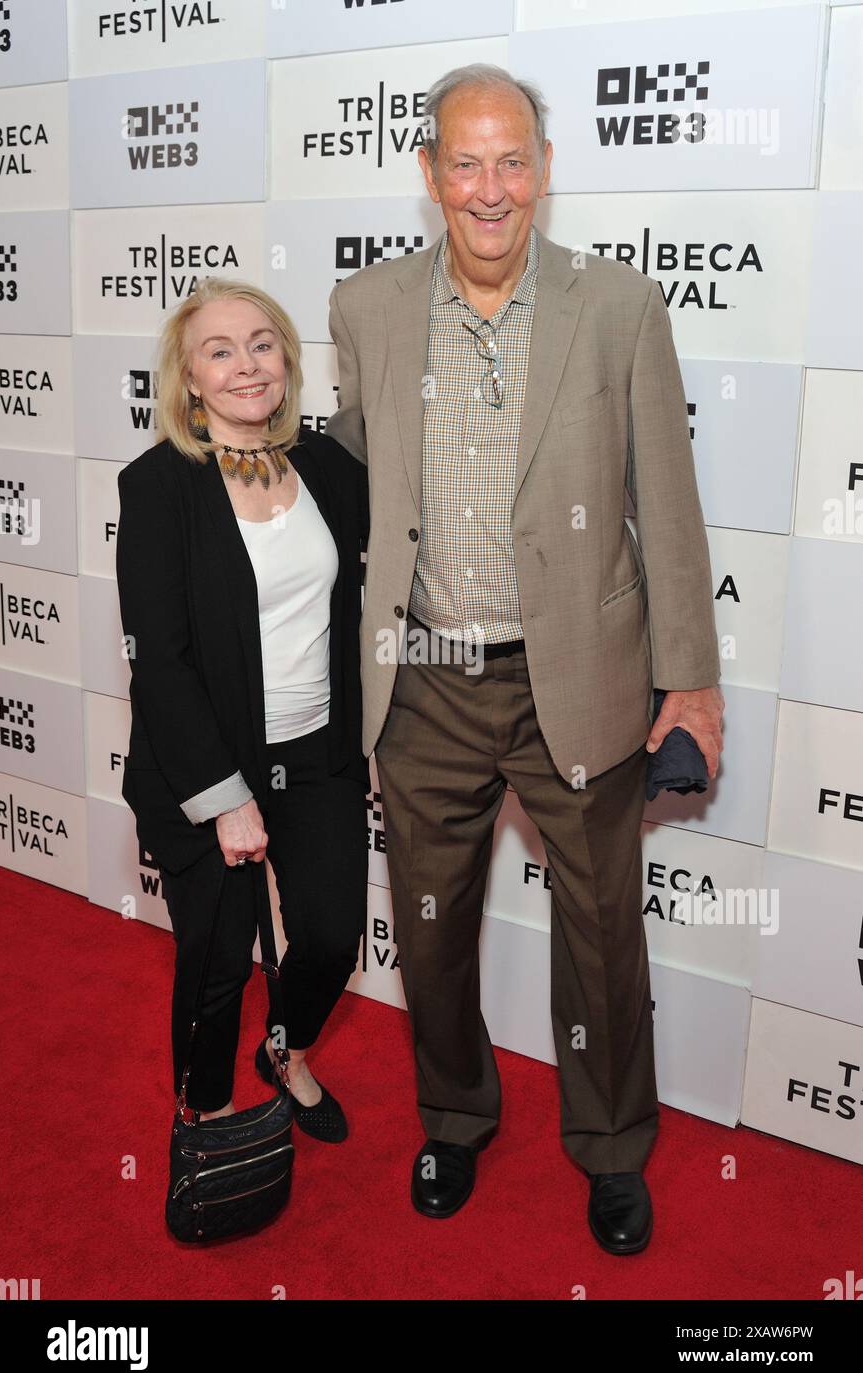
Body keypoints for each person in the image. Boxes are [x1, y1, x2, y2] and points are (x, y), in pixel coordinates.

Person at [324, 63, 724, 1252]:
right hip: (425, 682)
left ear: (544, 169)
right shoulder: (367, 308)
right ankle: (451, 1115)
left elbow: (667, 497)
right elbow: (351, 479)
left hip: (582, 676)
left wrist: (689, 679)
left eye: (511, 160)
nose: (487, 188)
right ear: (427, 174)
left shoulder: (616, 306)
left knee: (602, 928)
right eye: (464, 161)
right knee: (431, 922)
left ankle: (609, 1146)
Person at [115, 277, 369, 1144]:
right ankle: (210, 1113)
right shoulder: (157, 488)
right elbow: (162, 659)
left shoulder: (328, 467)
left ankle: (286, 1050)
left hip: (319, 749)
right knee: (218, 965)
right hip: (208, 763)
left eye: (262, 343)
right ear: (189, 380)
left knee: (334, 938)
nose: (246, 365)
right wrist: (225, 796)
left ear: (287, 361)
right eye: (219, 351)